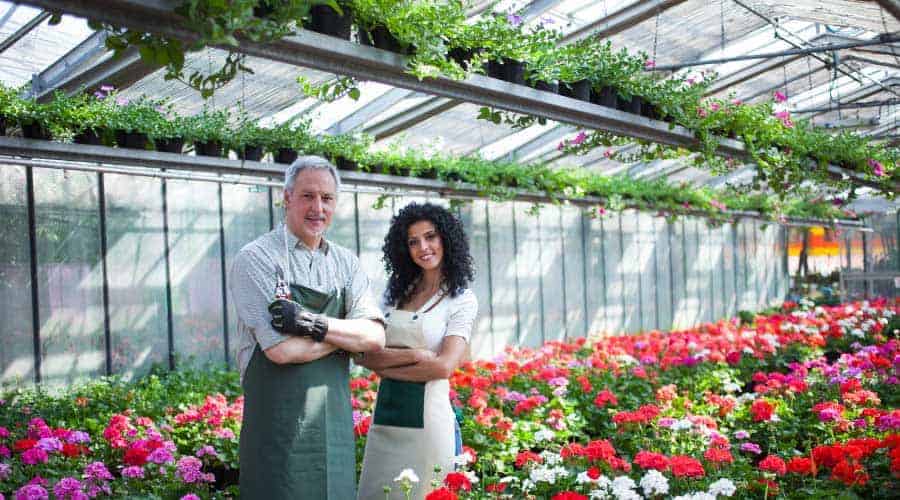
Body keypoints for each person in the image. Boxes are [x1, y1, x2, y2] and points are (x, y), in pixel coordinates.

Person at [229, 156, 386, 499]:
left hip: (333, 430)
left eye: (327, 198)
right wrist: (345, 336)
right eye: (307, 196)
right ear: (287, 198)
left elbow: (375, 336)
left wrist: (313, 324)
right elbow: (282, 350)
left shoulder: (345, 262)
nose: (318, 208)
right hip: (276, 432)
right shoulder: (257, 259)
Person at [356, 202, 478, 500]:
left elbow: (443, 367)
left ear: (446, 239)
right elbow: (364, 355)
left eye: (430, 236)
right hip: (386, 416)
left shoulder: (461, 300)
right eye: (413, 241)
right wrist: (415, 356)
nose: (423, 247)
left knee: (426, 491)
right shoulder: (395, 294)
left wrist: (384, 364)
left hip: (431, 421)